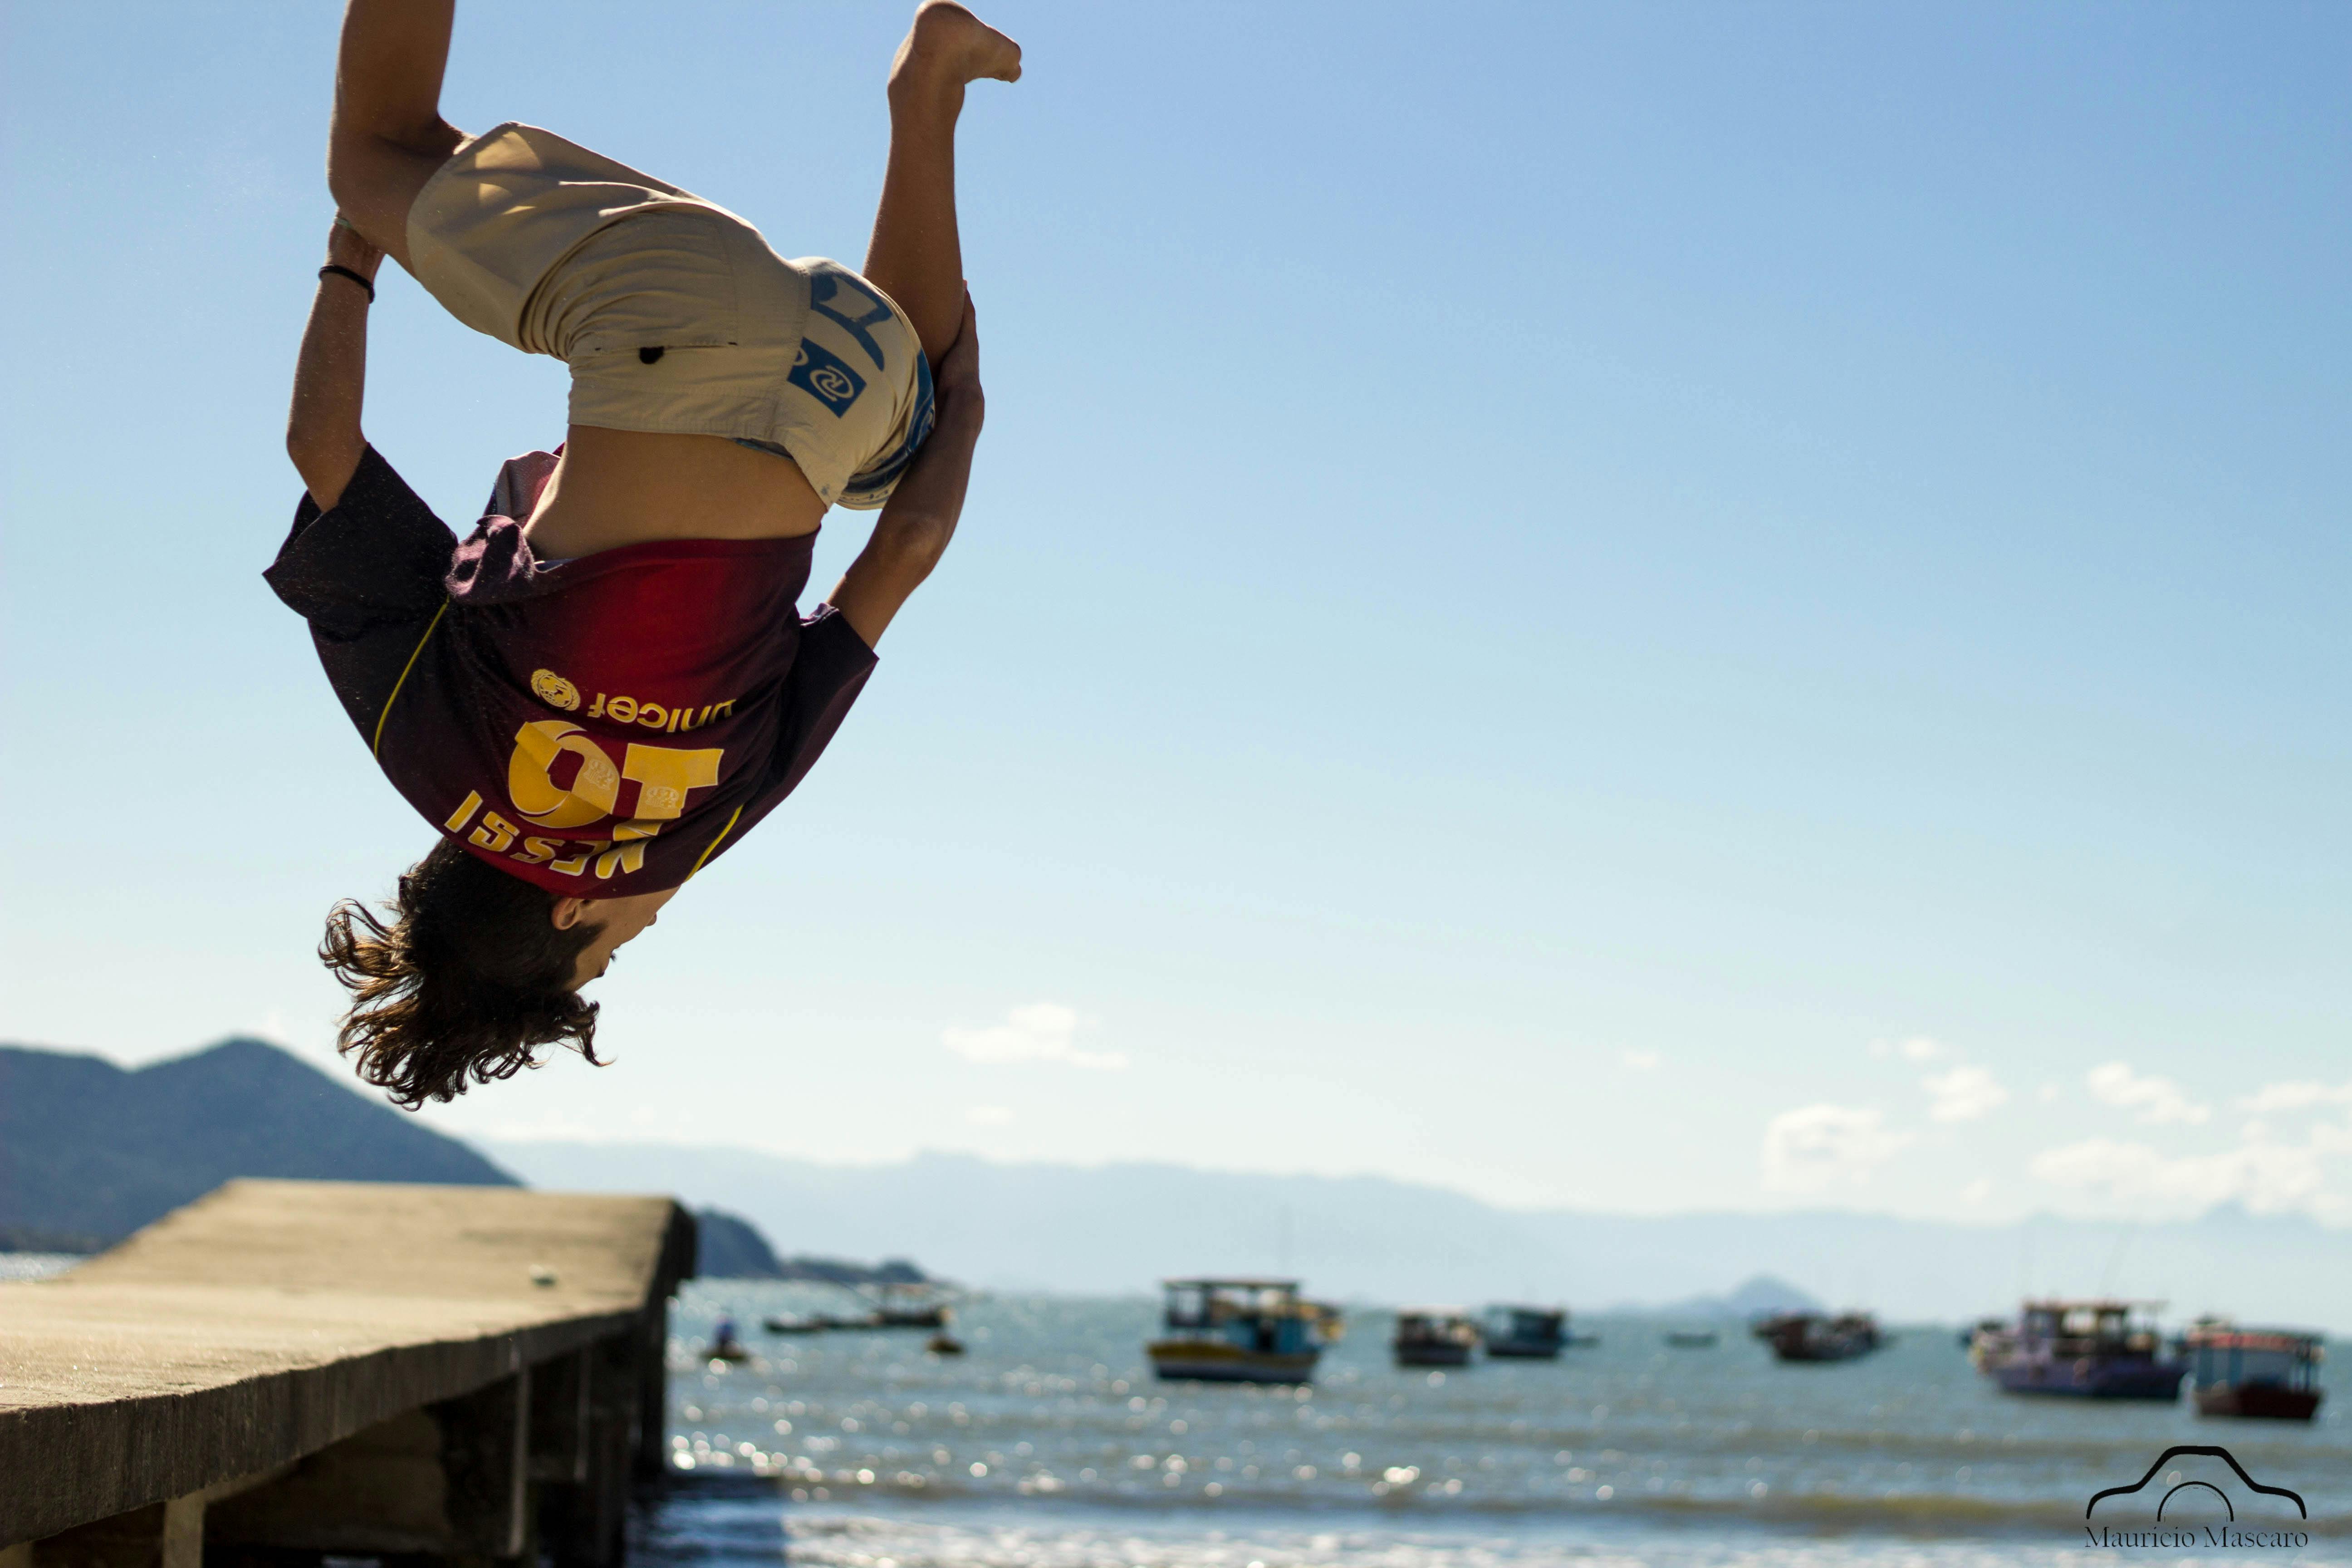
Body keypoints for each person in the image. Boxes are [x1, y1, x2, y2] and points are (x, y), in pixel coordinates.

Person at [271, 0, 1019, 1107]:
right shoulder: (426, 751)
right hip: (658, 306)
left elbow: (907, 546)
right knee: (373, 153)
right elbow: (321, 451)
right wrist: (353, 255)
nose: (639, 926)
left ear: (571, 913)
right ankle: (370, 193)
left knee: (888, 471)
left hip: (836, 386)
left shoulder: (694, 834)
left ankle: (930, 93)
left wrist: (965, 402)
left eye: (615, 951)